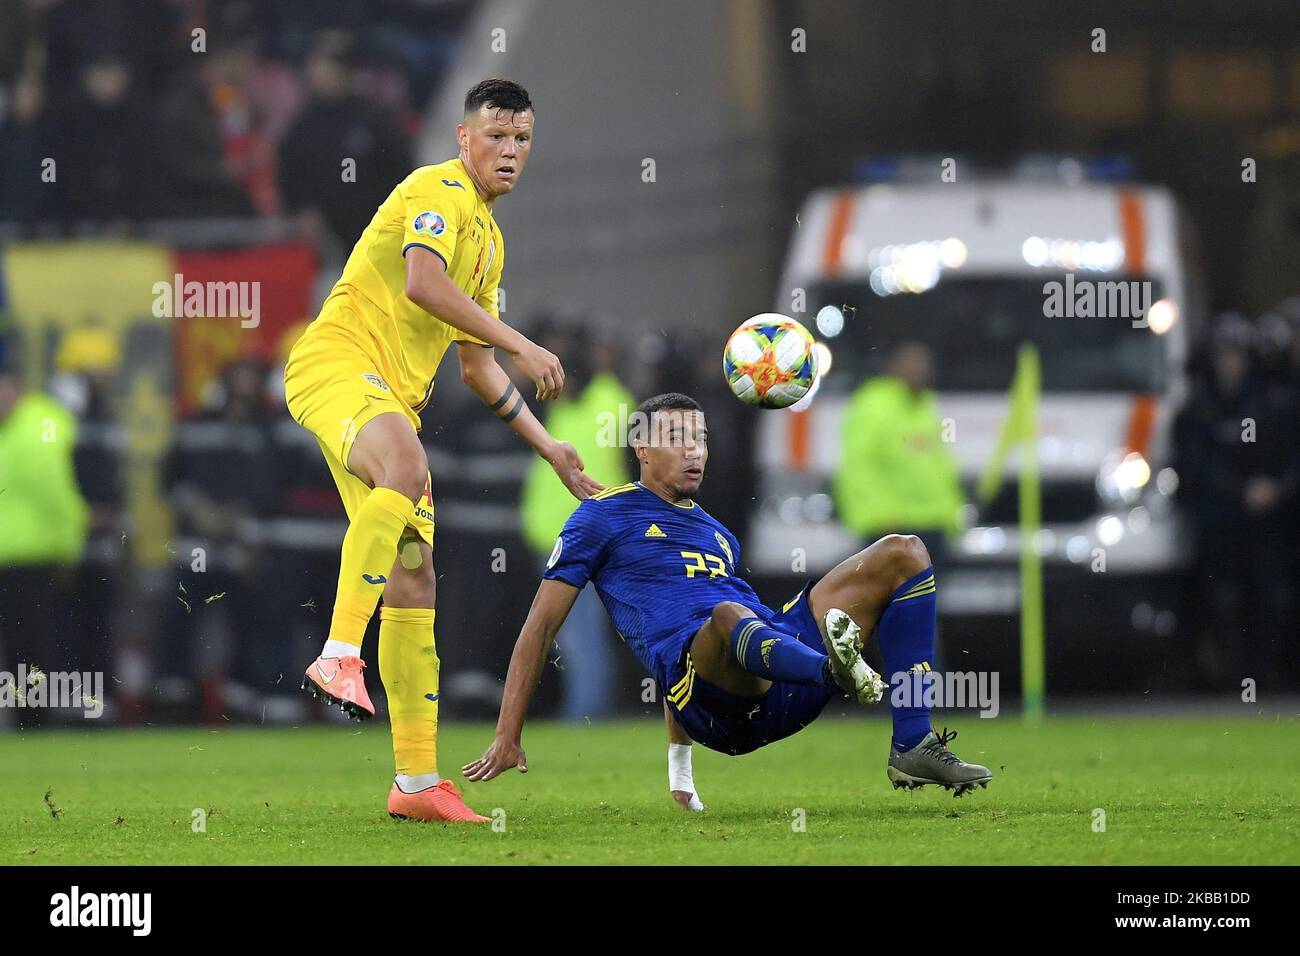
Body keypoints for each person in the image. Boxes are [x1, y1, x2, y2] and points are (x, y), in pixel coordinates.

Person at [284, 78, 600, 823]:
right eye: (496, 136)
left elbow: (474, 367)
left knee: (417, 574)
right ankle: (337, 653)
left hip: (385, 396)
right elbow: (423, 283)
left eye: (522, 139)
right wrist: (522, 339)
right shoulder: (438, 190)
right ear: (465, 140)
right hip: (335, 363)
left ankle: (417, 783)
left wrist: (548, 445)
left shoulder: (489, 241)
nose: (509, 152)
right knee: (409, 465)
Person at [464, 393, 991, 809]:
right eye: (677, 438)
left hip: (773, 668)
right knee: (724, 616)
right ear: (641, 449)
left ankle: (912, 744)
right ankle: (838, 670)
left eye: (701, 439)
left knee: (904, 552)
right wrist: (507, 735)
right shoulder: (599, 517)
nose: (694, 450)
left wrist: (679, 777)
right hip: (717, 707)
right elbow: (539, 628)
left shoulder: (717, 533)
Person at [520, 325, 635, 720]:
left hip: (588, 534)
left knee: (578, 633)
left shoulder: (611, 402)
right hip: (559, 534)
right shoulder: (566, 405)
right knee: (576, 633)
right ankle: (586, 710)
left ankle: (586, 713)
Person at [833, 341, 963, 565]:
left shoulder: (925, 404)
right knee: (892, 598)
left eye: (923, 364)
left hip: (932, 526)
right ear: (894, 366)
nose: (918, 369)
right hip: (891, 527)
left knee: (926, 598)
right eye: (911, 362)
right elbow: (859, 465)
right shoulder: (874, 404)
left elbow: (939, 465)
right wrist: (880, 516)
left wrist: (950, 515)